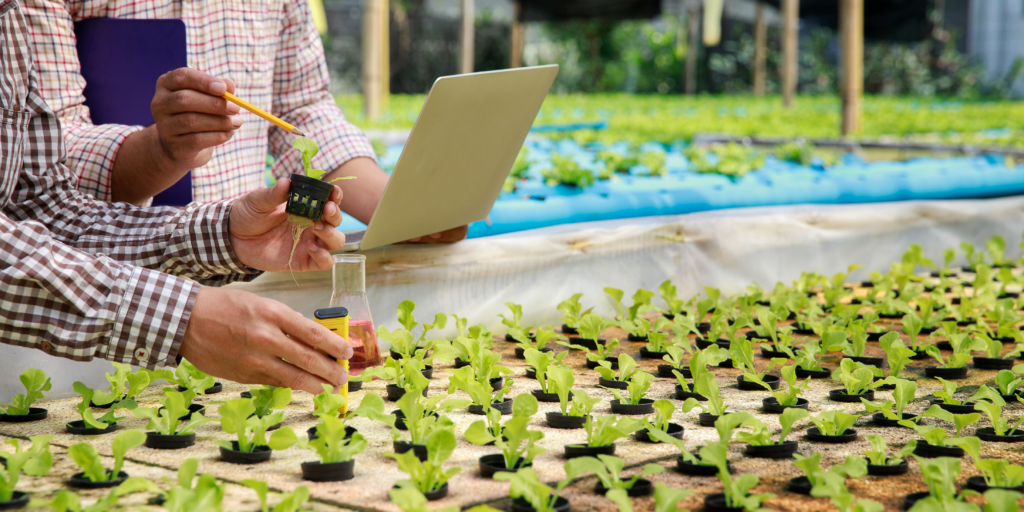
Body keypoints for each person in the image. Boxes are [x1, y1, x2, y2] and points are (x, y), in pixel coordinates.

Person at [0, 0, 353, 395]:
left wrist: (226, 237)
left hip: (191, 300)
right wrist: (181, 317)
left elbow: (38, 207)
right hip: (66, 338)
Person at [23, 0, 466, 243]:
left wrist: (397, 212)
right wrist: (163, 150)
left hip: (251, 260)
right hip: (112, 276)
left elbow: (301, 109)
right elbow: (46, 158)